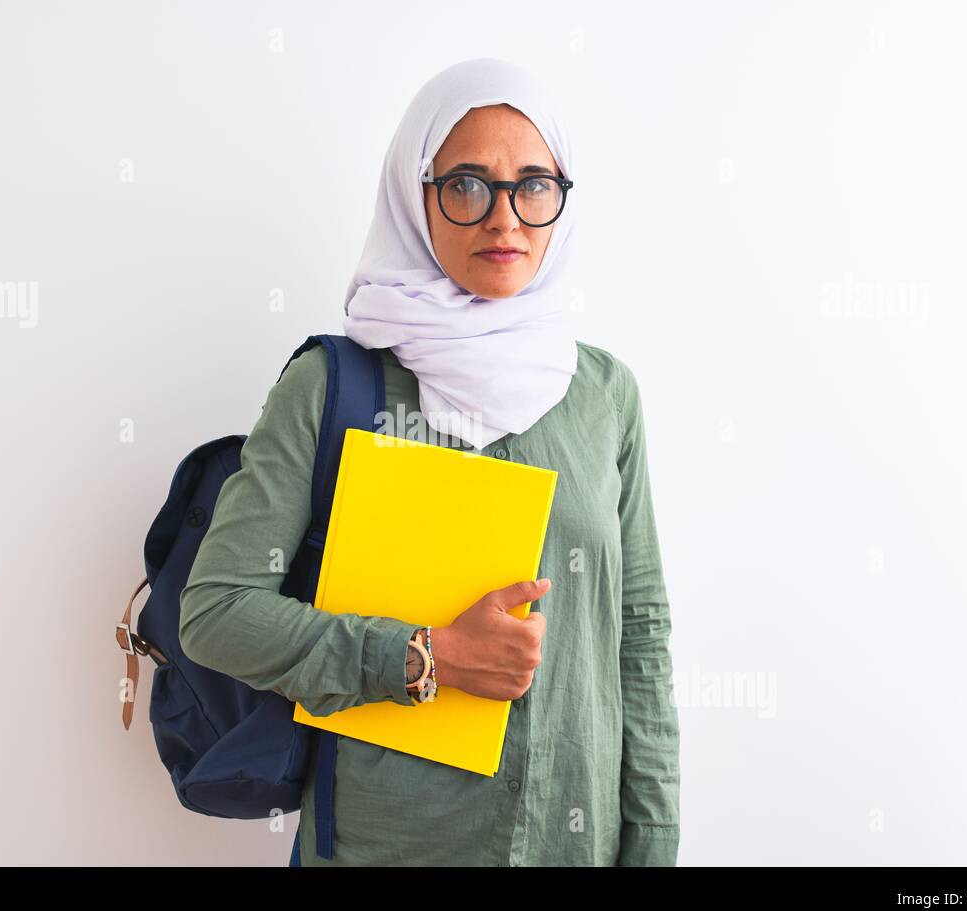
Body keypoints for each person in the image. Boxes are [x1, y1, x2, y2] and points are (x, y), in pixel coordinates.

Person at [179, 57, 679, 866]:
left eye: (534, 185)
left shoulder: (602, 393)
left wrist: (653, 840)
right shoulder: (331, 384)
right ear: (417, 195)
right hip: (385, 844)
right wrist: (426, 655)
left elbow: (641, 635)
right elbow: (217, 611)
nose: (504, 219)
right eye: (468, 185)